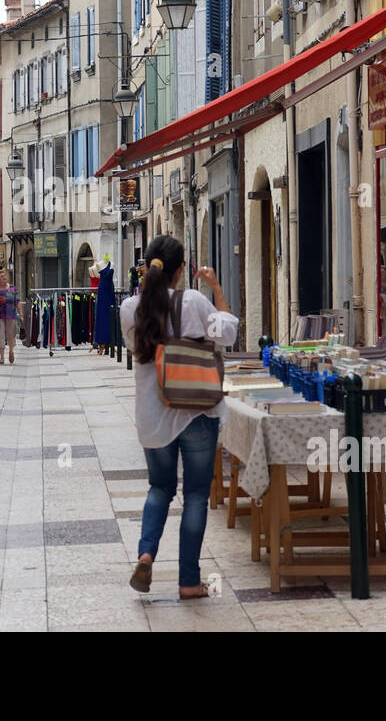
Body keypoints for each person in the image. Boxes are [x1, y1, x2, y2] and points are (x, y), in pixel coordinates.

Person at [120, 235, 237, 600]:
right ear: (181, 270)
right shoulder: (195, 301)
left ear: (147, 267)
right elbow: (228, 334)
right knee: (197, 496)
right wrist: (216, 287)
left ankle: (145, 553)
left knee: (159, 489)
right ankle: (189, 581)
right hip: (197, 411)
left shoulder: (130, 308)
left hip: (153, 414)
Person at [0, 268, 19, 364]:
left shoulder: (12, 288)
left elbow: (17, 301)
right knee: (0, 335)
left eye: (5, 275)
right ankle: (2, 357)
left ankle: (11, 351)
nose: (4, 277)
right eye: (2, 276)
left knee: (11, 335)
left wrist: (21, 314)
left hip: (11, 314)